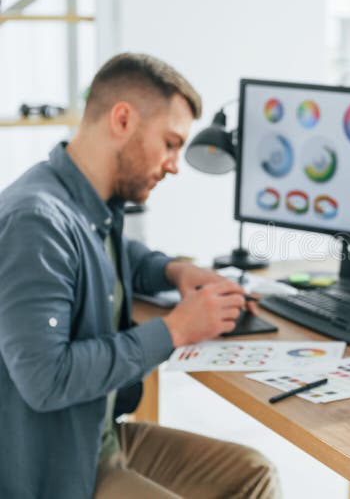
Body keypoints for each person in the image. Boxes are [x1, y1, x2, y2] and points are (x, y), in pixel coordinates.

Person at [0, 53, 281, 498]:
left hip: (99, 433)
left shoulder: (84, 202)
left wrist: (174, 270)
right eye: (169, 143)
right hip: (58, 465)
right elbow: (46, 379)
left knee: (254, 473)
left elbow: (115, 254)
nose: (174, 164)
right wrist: (174, 330)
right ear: (123, 120)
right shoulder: (36, 221)